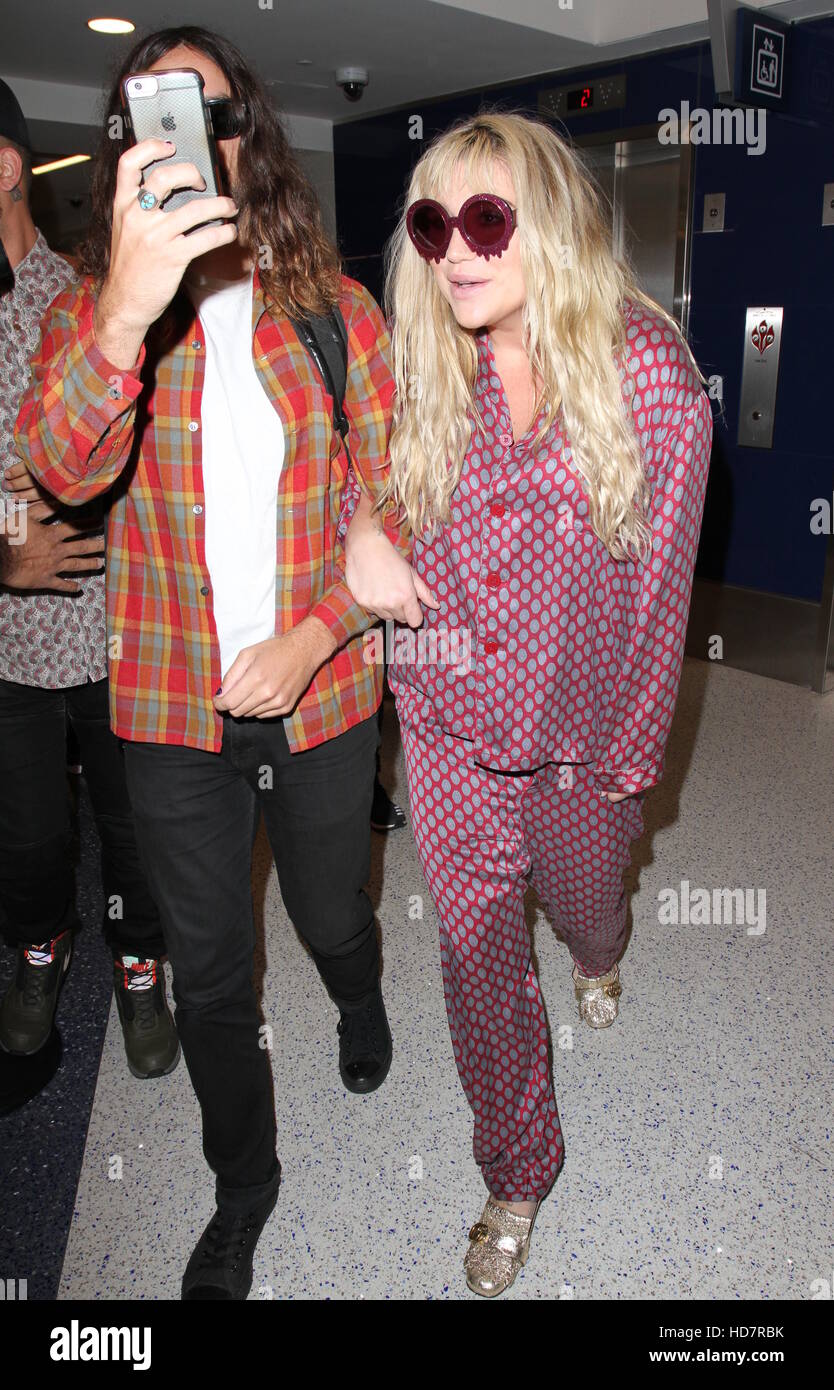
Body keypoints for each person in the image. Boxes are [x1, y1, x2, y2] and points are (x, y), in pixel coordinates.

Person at [15, 27, 412, 1300]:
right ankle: (246, 1186)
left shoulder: (340, 314)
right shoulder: (91, 316)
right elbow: (65, 470)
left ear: (252, 134)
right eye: (152, 115)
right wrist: (128, 307)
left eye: (213, 110)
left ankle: (359, 998)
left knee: (328, 909)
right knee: (211, 974)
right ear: (125, 150)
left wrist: (313, 633)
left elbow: (395, 511)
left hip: (327, 687)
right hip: (172, 714)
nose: (192, 137)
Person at [344, 112, 713, 1296]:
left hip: (579, 737)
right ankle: (516, 1169)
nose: (456, 250)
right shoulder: (420, 362)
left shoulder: (649, 375)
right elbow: (361, 484)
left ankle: (601, 954)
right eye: (433, 223)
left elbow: (660, 603)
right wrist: (358, 530)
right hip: (448, 720)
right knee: (473, 954)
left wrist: (626, 759)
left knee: (586, 899)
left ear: (547, 226)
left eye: (488, 219)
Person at [0, 78, 177, 1082]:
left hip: (112, 628)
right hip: (7, 642)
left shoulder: (81, 300)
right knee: (25, 834)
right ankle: (38, 953)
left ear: (10, 164)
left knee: (131, 822)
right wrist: (4, 551)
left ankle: (140, 965)